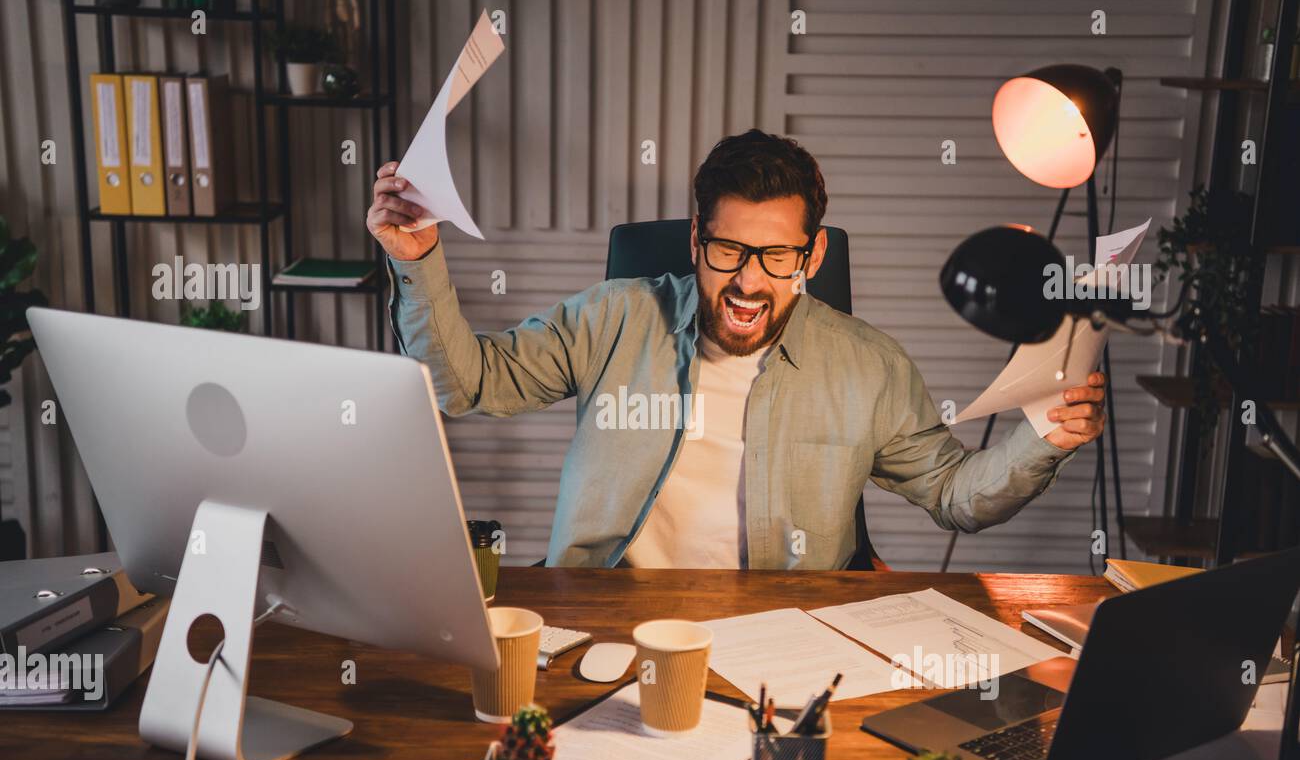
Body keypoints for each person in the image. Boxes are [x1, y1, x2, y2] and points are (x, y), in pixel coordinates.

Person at [367, 129, 1105, 569]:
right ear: (697, 241)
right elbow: (462, 385)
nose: (749, 281)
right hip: (607, 614)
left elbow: (954, 495)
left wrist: (1042, 433)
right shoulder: (615, 317)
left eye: (777, 256)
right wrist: (418, 257)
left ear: (812, 257)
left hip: (779, 630)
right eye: (727, 250)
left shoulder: (868, 365)